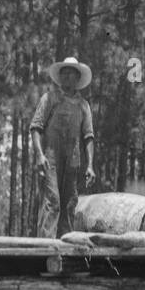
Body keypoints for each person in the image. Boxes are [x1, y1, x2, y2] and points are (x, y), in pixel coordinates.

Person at [29, 56, 96, 238]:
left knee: (69, 203)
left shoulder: (84, 106)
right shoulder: (49, 98)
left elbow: (88, 136)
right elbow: (35, 127)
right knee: (53, 202)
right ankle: (46, 248)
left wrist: (90, 165)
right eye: (64, 74)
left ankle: (64, 250)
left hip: (73, 160)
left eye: (71, 74)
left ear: (77, 78)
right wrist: (39, 155)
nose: (67, 77)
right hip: (51, 158)